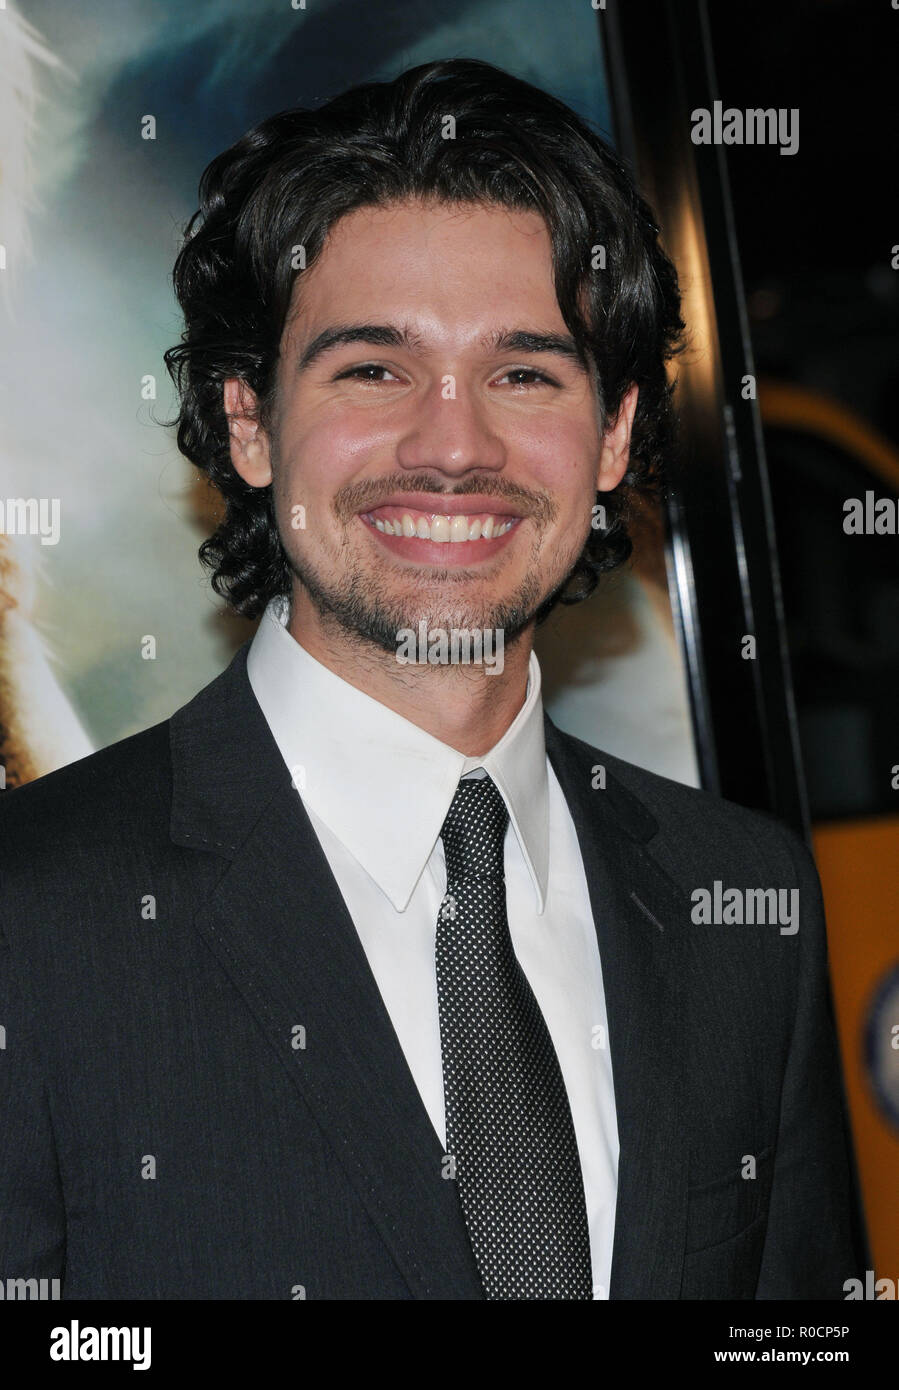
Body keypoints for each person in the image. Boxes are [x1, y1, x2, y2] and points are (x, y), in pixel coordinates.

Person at [0, 58, 861, 1300]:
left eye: (523, 372)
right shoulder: (34, 913)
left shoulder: (743, 897)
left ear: (613, 432)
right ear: (247, 423)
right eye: (372, 369)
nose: (452, 444)